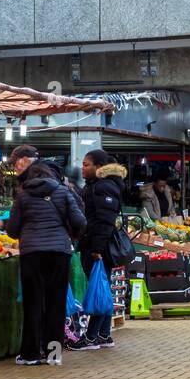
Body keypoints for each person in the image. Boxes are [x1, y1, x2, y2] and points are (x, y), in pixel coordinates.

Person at [6, 160, 86, 365]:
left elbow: (12, 229)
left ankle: (31, 354)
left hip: (31, 253)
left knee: (33, 303)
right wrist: (71, 234)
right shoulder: (63, 192)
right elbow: (80, 221)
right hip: (59, 253)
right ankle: (53, 355)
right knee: (56, 304)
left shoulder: (23, 196)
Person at [73, 150, 127, 350]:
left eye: (86, 164)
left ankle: (91, 337)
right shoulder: (98, 185)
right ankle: (104, 335)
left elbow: (104, 221)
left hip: (97, 249)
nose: (82, 168)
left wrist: (97, 249)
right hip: (96, 246)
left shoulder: (103, 187)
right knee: (103, 289)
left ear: (99, 167)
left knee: (98, 290)